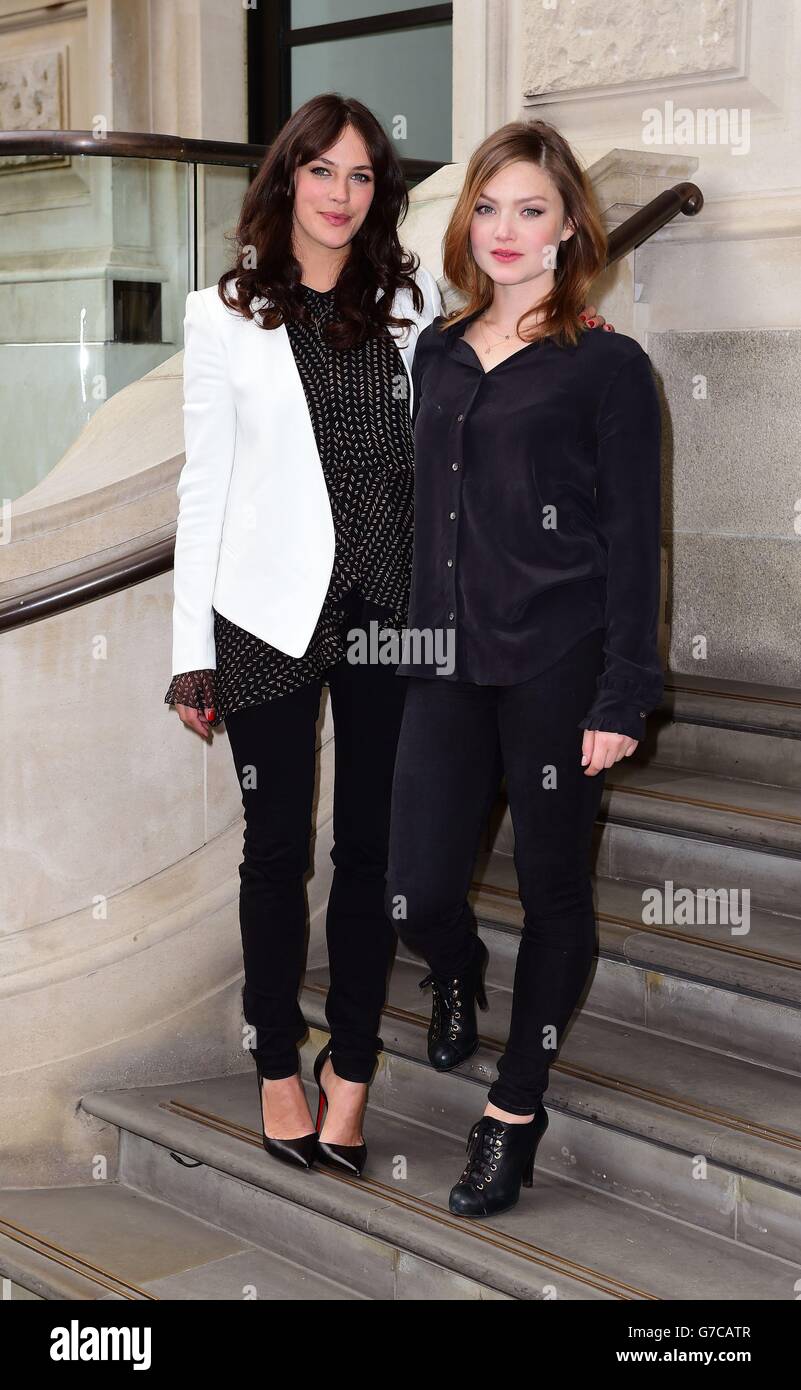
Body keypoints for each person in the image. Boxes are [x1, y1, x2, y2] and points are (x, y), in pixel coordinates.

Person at [165, 96, 611, 1180]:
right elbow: (204, 485)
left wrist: (572, 329)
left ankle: (353, 1072)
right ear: (286, 182)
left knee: (370, 850)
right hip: (264, 616)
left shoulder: (414, 307)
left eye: (362, 177)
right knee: (276, 851)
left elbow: (496, 381)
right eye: (320, 171)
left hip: (391, 617)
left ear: (381, 196)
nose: (338, 194)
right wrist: (192, 646)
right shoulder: (222, 313)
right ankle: (278, 1056)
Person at [384, 118, 663, 1218]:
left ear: (569, 227)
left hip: (559, 660)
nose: (505, 229)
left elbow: (635, 540)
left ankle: (514, 1113)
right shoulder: (440, 350)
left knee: (554, 892)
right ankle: (456, 966)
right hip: (446, 659)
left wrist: (624, 690)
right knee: (412, 885)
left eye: (530, 209)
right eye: (487, 207)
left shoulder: (609, 367)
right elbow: (423, 515)